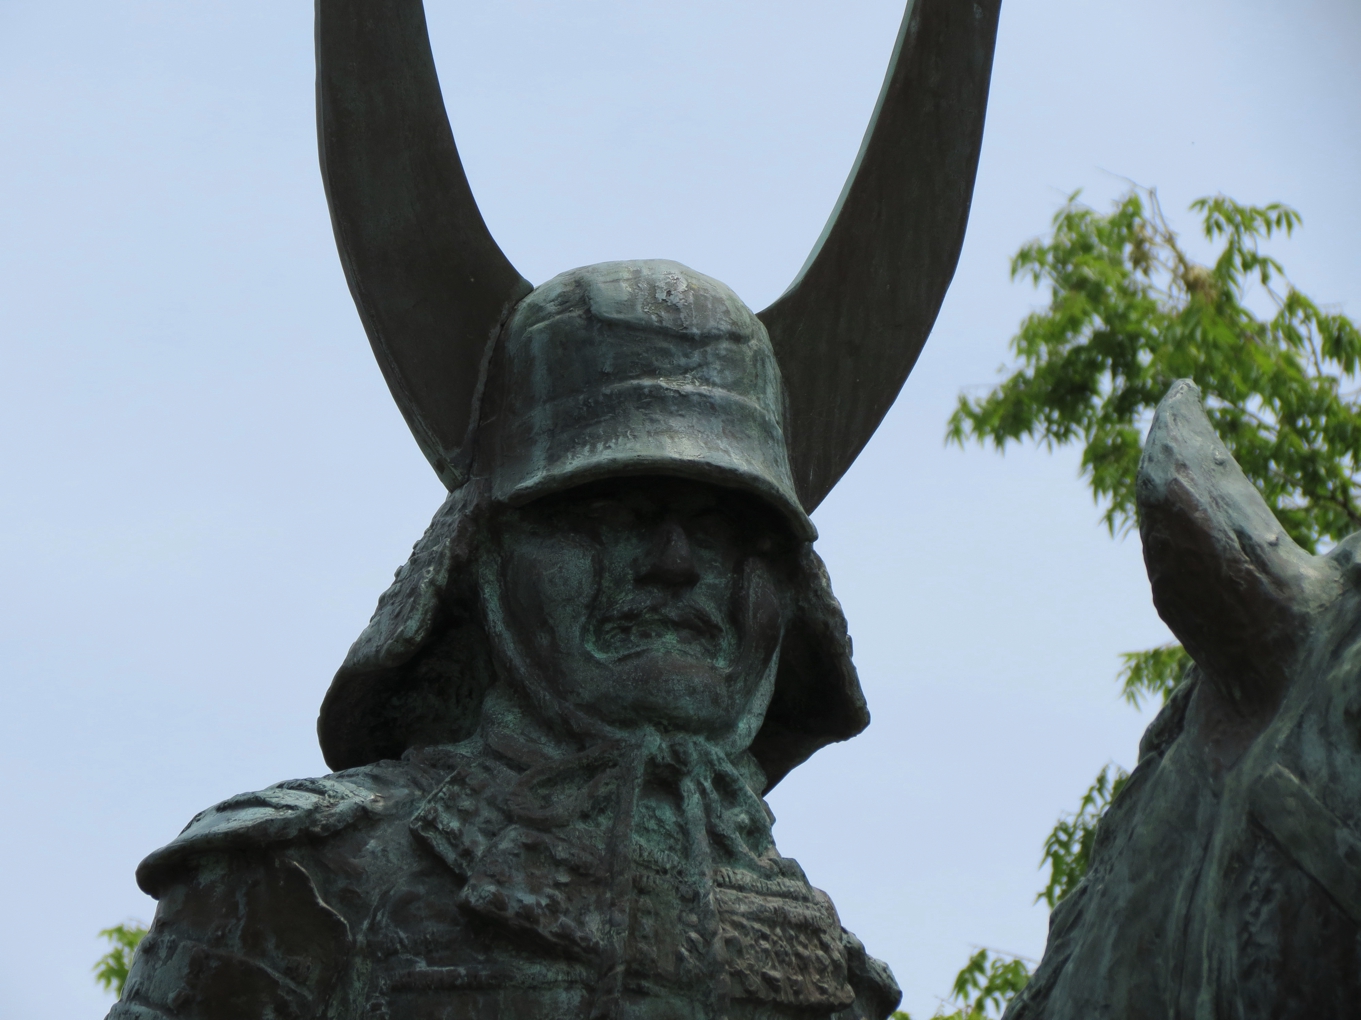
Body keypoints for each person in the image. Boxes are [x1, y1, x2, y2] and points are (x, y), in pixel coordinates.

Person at [110, 261, 902, 1020]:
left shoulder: (835, 981)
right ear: (486, 559)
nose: (673, 564)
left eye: (729, 530)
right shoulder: (289, 883)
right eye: (609, 512)